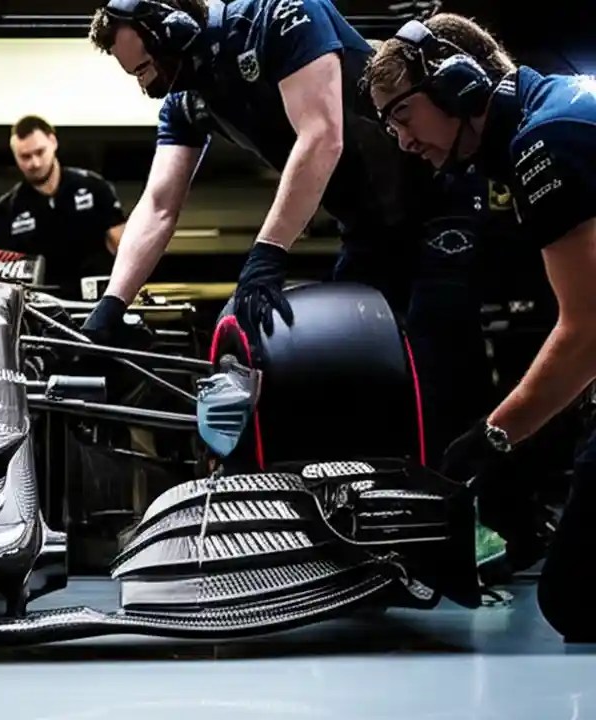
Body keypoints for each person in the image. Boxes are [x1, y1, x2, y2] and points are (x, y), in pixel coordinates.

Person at [81, 0, 494, 466]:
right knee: (356, 360)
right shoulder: (187, 103)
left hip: (440, 196)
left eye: (145, 67)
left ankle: (484, 505)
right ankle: (387, 500)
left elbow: (322, 134)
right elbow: (158, 206)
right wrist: (111, 307)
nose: (146, 85)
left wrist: (268, 251)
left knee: (435, 346)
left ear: (173, 28)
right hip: (367, 227)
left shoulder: (280, 16)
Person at [365, 13, 596, 642]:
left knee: (578, 598)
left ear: (459, 86)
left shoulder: (543, 144)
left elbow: (587, 332)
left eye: (404, 115)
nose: (401, 140)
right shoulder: (561, 109)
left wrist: (491, 438)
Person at [0, 115, 126, 299]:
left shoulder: (94, 188)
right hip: (41, 311)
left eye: (39, 152)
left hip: (96, 304)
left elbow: (123, 245)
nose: (34, 163)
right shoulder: (6, 210)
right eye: (25, 157)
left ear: (53, 142)